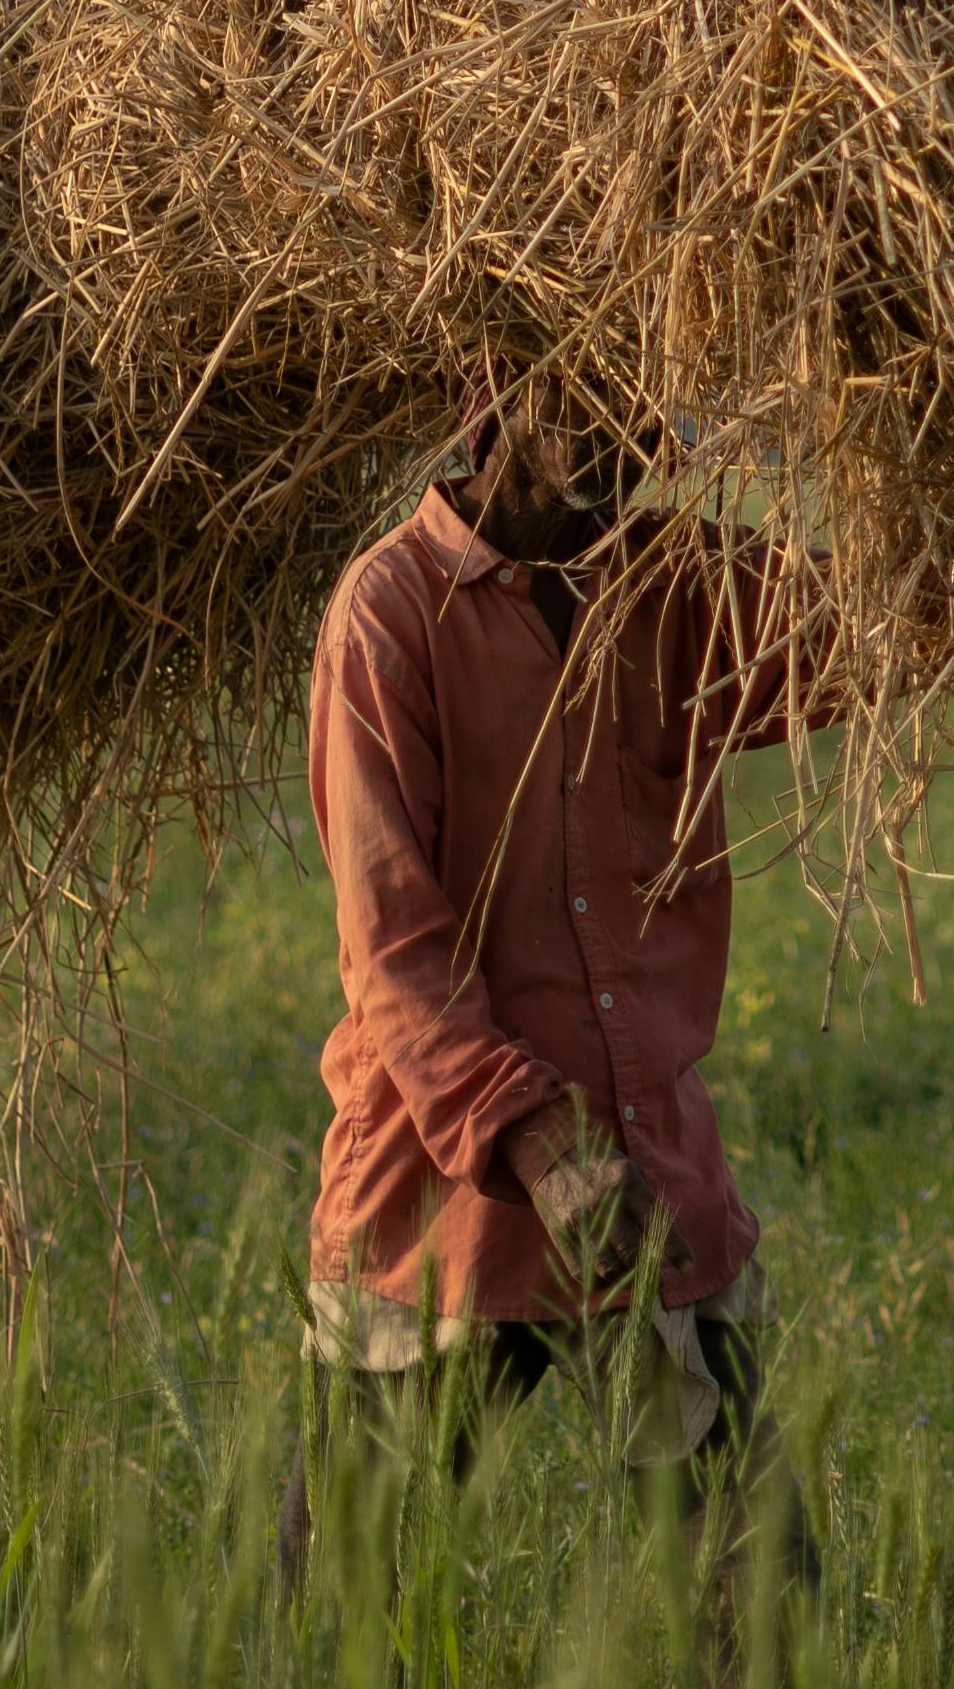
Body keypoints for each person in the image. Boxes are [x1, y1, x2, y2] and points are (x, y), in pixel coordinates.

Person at [277, 379, 837, 1596]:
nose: (633, 448)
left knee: (767, 1619)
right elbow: (392, 945)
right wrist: (537, 1145)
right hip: (440, 1208)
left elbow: (881, 625)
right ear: (496, 406)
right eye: (592, 408)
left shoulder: (670, 586)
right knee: (337, 1640)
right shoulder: (390, 613)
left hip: (646, 1184)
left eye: (652, 418)